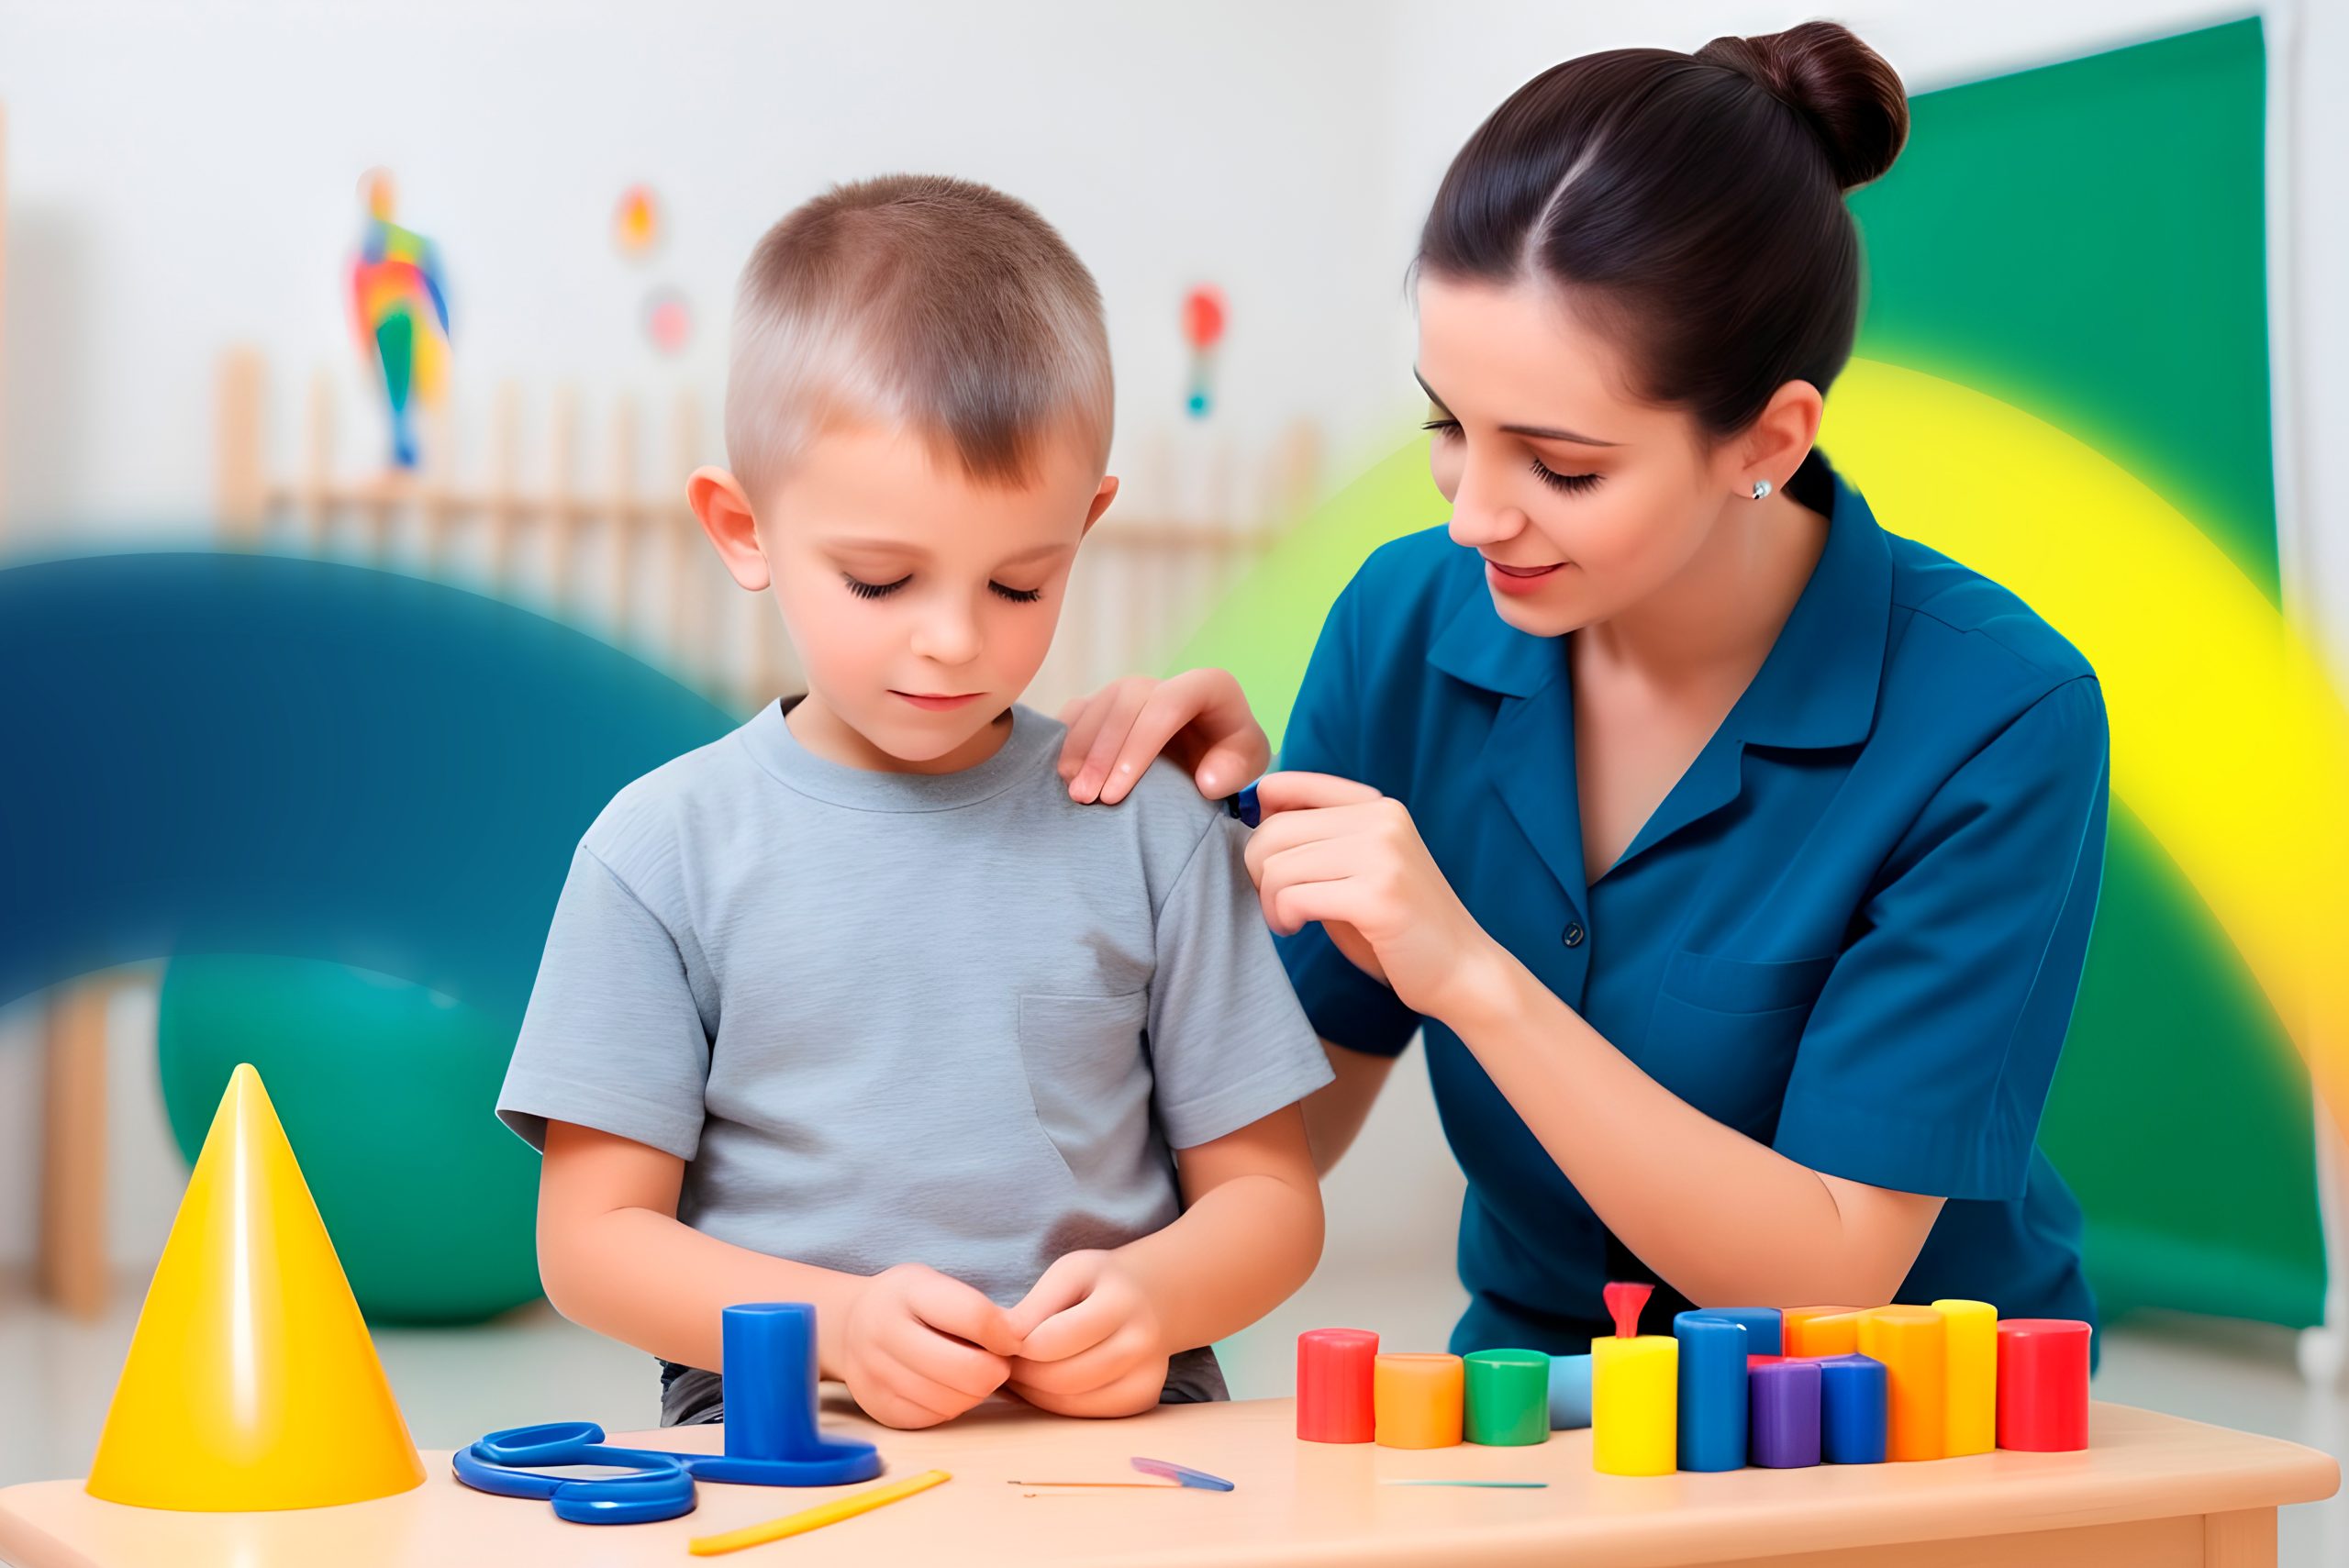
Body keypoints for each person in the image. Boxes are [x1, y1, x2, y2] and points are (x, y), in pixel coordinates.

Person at [1059, 22, 2110, 1357]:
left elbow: (1835, 1273)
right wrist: (1177, 866)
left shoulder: (1997, 716)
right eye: (1449, 425)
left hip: (1896, 1406)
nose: (1472, 516)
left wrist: (1470, 975)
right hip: (1533, 1394)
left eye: (1561, 467)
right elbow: (1279, 1140)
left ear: (1768, 441)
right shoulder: (1404, 622)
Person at [496, 175, 1331, 1429]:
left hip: (1122, 1417)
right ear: (743, 527)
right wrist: (839, 1330)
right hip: (789, 1420)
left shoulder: (1149, 826)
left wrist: (1152, 1300)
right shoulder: (660, 850)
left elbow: (1271, 1203)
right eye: (882, 581)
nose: (953, 640)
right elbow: (591, 1242)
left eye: (1018, 583)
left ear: (1085, 523)